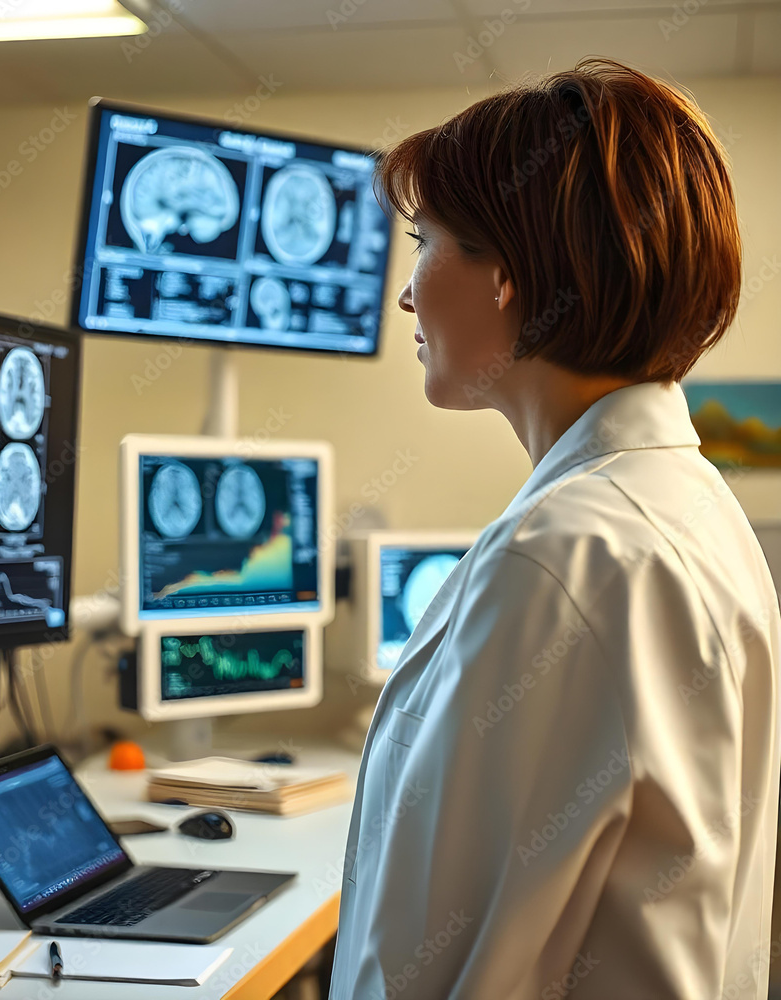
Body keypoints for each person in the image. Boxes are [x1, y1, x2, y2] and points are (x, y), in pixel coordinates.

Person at [329, 58, 781, 999]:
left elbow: (440, 972)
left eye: (425, 243)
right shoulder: (687, 504)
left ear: (508, 277)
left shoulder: (567, 554)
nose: (406, 296)